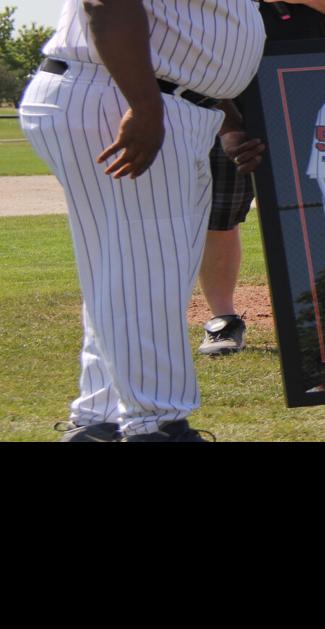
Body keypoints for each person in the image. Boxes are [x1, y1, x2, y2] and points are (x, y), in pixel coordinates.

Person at [23, 0, 267, 442]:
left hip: (161, 99)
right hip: (126, 94)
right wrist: (143, 103)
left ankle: (100, 419)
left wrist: (226, 122)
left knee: (124, 275)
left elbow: (188, 40)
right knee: (148, 276)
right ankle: (156, 425)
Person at [195, 0, 325, 357]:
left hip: (308, 89)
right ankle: (223, 319)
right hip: (225, 97)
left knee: (320, 212)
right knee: (220, 215)